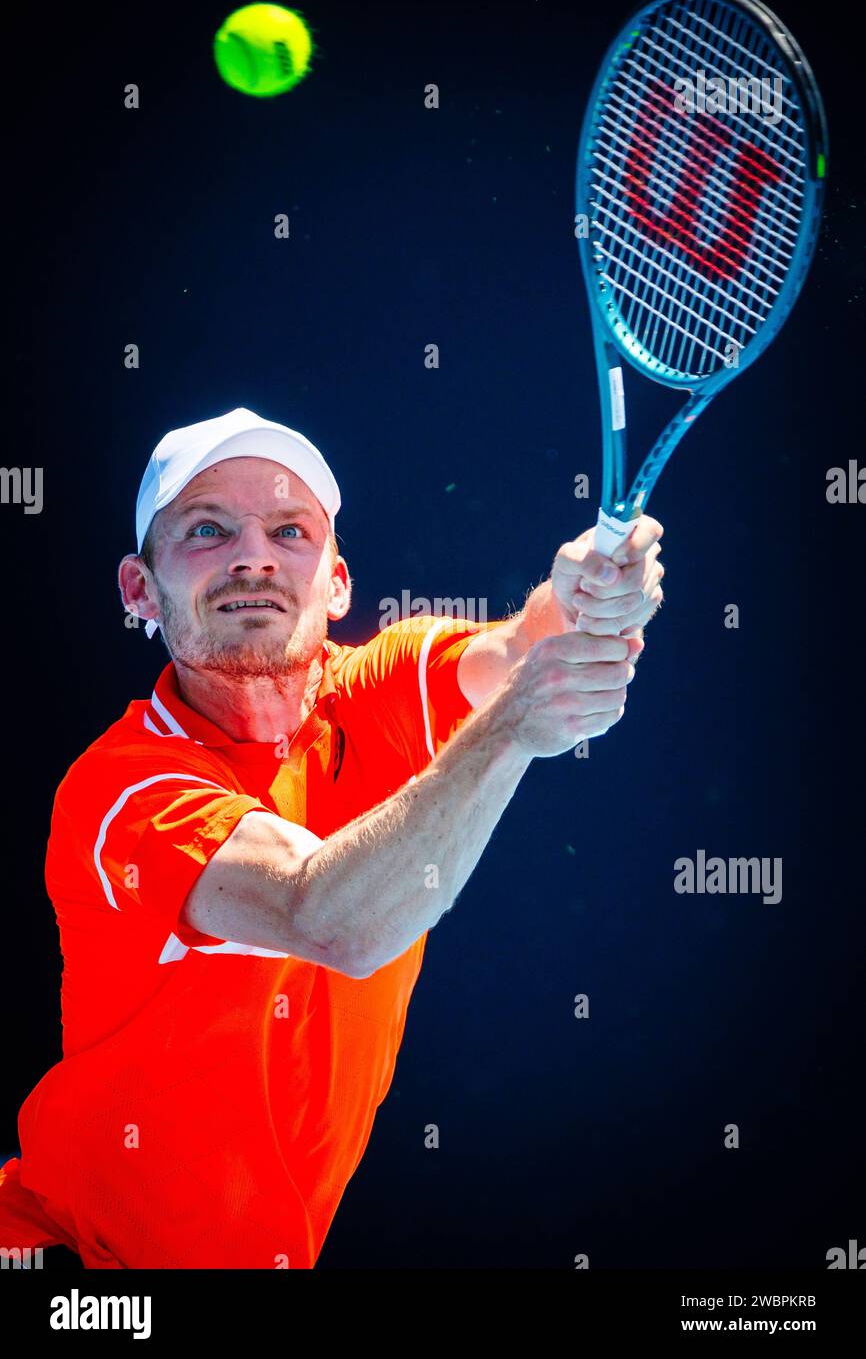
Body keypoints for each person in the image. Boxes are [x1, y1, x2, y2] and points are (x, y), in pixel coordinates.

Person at [0, 407, 664, 1269]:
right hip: (73, 1269)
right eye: (207, 530)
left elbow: (520, 647)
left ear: (338, 583)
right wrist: (513, 728)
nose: (253, 556)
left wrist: (584, 596)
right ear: (138, 590)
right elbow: (330, 917)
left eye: (289, 530)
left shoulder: (379, 690)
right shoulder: (121, 789)